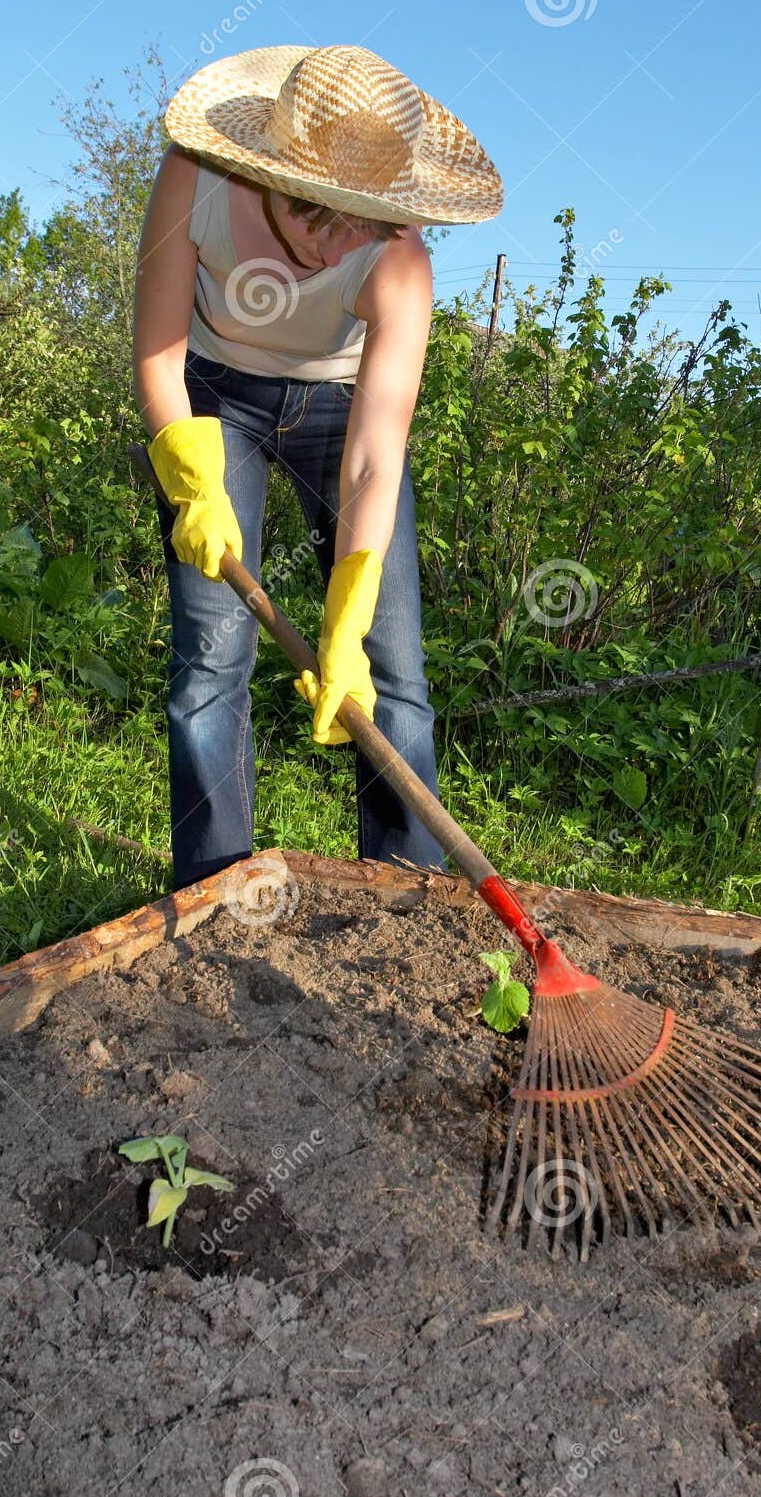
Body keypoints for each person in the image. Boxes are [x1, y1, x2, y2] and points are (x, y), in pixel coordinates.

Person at [132, 43, 502, 889]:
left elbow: (376, 455)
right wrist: (191, 479)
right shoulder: (197, 179)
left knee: (389, 668)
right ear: (267, 173)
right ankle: (215, 889)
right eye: (316, 218)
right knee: (210, 655)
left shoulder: (400, 262)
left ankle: (406, 895)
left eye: (360, 224)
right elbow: (158, 356)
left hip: (339, 414)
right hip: (213, 404)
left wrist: (348, 603)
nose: (334, 250)